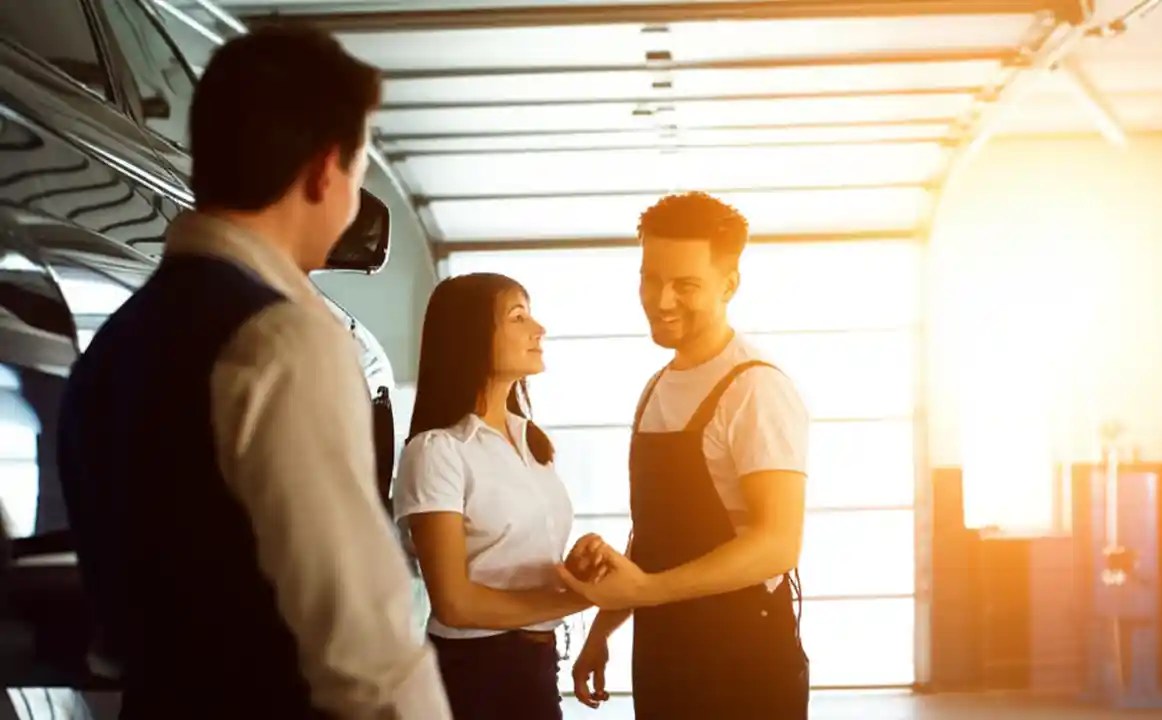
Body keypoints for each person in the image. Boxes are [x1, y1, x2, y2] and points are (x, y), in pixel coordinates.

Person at [56, 28, 450, 718]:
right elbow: (365, 648)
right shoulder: (285, 341)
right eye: (360, 176)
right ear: (326, 171)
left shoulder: (115, 346)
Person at [557, 192, 811, 719]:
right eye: (651, 279)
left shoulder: (755, 388)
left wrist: (649, 591)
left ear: (730, 284)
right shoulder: (657, 387)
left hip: (744, 656)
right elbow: (653, 534)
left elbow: (777, 545)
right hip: (665, 647)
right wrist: (605, 627)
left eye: (685, 285)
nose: (661, 300)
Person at [395, 273, 592, 720]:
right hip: (475, 675)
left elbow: (519, 564)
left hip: (536, 667)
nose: (537, 328)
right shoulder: (436, 451)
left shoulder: (532, 442)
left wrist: (579, 571)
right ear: (470, 336)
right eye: (518, 317)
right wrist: (581, 599)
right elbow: (455, 603)